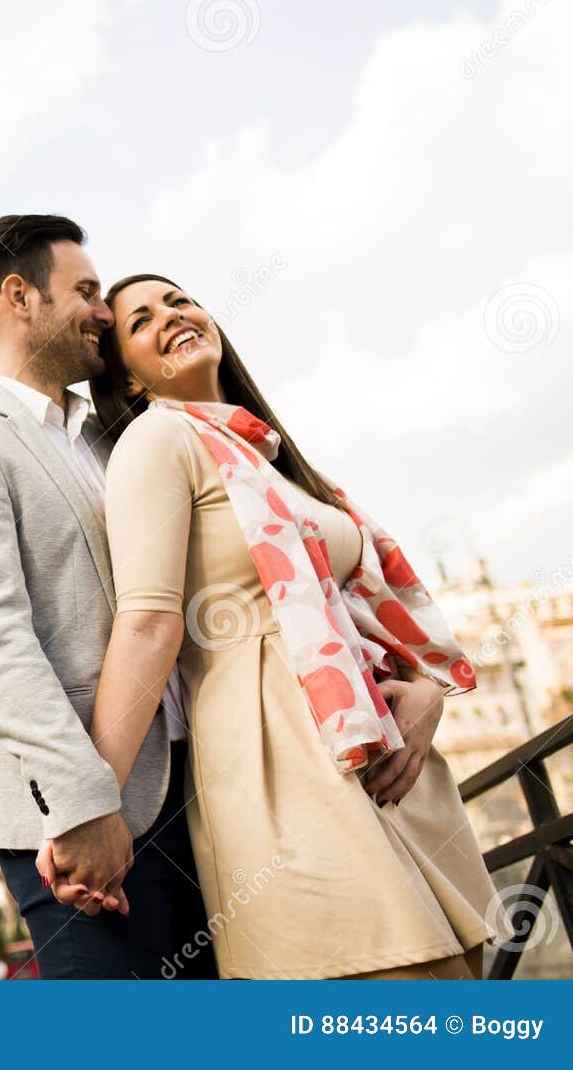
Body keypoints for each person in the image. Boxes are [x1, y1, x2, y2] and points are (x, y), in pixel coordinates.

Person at [84, 272, 496, 979]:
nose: (171, 316)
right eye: (141, 320)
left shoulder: (272, 459)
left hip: (382, 761)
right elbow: (149, 623)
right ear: (128, 380)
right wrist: (91, 799)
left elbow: (363, 605)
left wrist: (426, 691)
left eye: (179, 299)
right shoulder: (158, 440)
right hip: (280, 768)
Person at [0, 216, 214, 978]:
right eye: (85, 291)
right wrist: (84, 802)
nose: (104, 311)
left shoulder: (119, 437)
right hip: (79, 821)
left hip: (200, 790)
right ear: (20, 297)